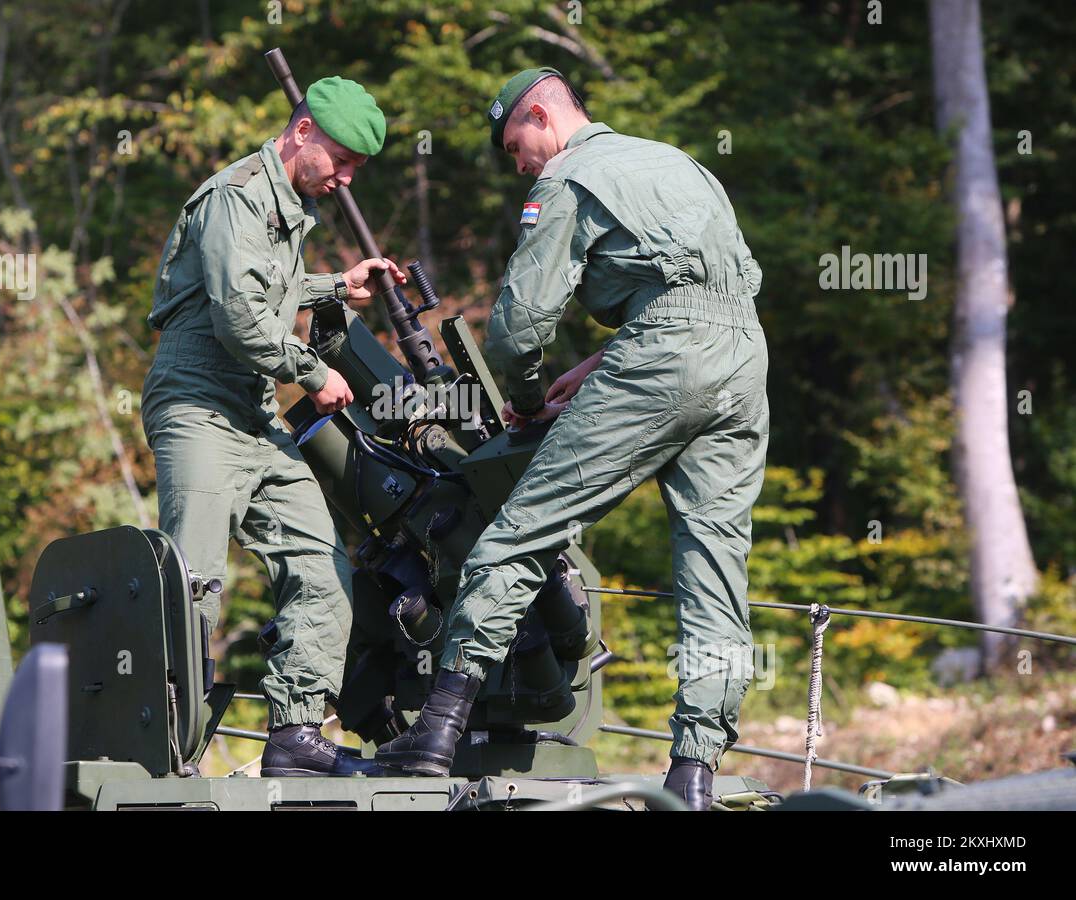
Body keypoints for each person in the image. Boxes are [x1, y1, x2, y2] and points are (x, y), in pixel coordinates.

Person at [375, 67, 770, 809]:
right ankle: (694, 770)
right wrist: (597, 365)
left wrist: (523, 404)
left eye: (514, 143)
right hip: (743, 356)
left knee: (522, 529)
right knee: (716, 564)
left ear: (540, 116)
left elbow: (519, 329)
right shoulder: (678, 162)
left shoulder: (567, 177)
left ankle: (436, 730)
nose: (518, 160)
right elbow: (720, 291)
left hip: (662, 357)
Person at [141, 75, 407, 776]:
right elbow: (236, 320)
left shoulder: (282, 205)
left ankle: (294, 736)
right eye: (342, 160)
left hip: (253, 410)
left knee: (323, 565)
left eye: (357, 169)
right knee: (191, 582)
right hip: (198, 401)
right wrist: (317, 376)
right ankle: (164, 753)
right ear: (302, 134)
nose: (346, 179)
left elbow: (265, 287)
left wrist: (335, 286)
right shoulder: (237, 197)